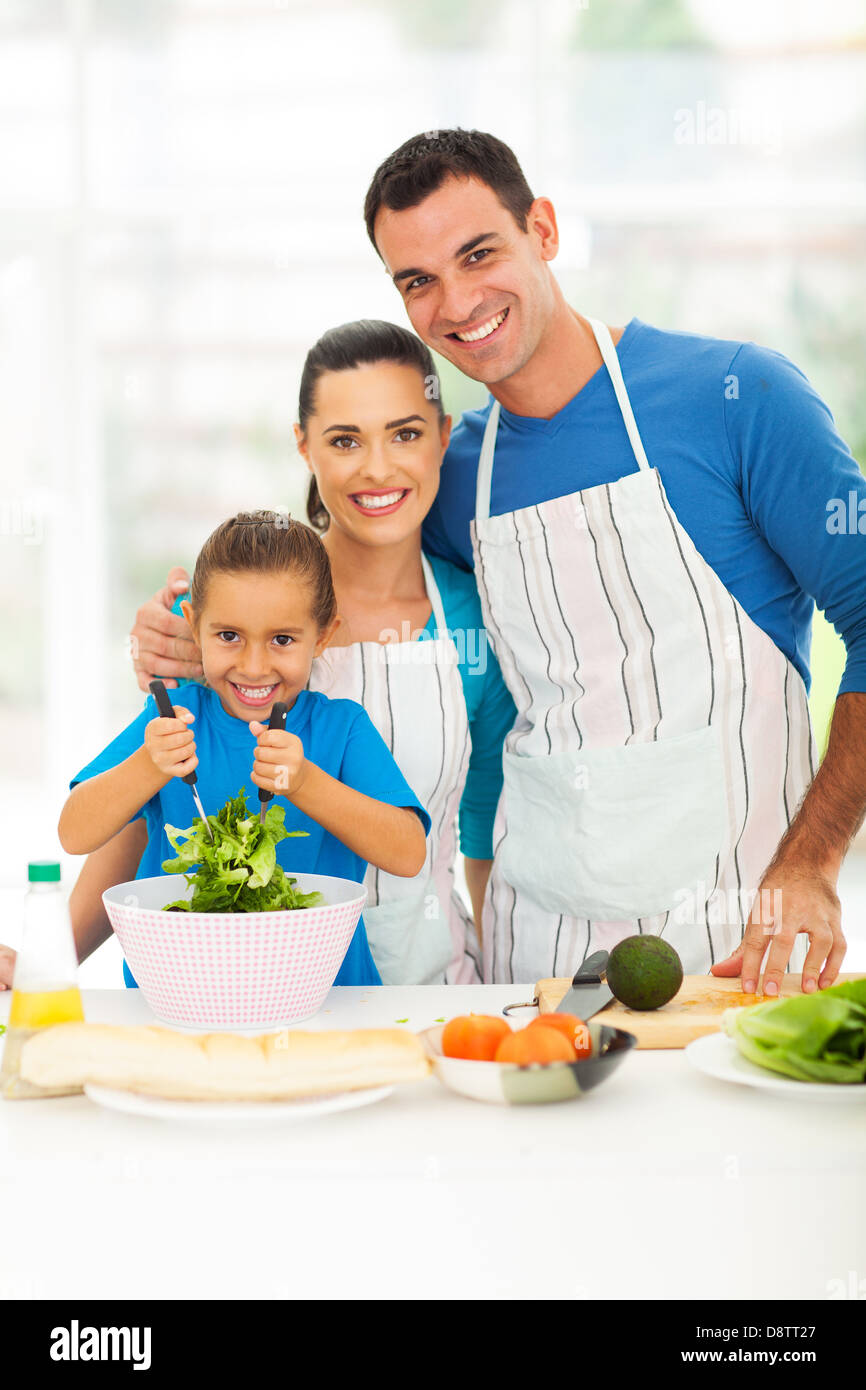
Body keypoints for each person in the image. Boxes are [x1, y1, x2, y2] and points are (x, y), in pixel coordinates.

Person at [355, 127, 866, 991]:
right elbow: (329, 593)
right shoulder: (451, 478)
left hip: (738, 952)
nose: (457, 301)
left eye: (479, 254)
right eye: (419, 281)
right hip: (534, 969)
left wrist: (814, 860)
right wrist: (186, 628)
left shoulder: (738, 398)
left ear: (544, 231)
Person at [23, 323, 516, 992]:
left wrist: (511, 1001)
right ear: (303, 444)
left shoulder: (476, 620)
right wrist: (44, 967)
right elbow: (139, 823)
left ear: (442, 435)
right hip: (206, 989)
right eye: (345, 439)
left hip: (424, 986)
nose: (377, 468)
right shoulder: (249, 591)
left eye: (404, 433)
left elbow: (481, 835)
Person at [56, 511, 431, 988]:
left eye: (282, 639)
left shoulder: (342, 728)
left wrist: (306, 782)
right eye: (229, 636)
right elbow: (74, 833)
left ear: (324, 636)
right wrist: (145, 767)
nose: (254, 667)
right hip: (178, 1002)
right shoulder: (168, 720)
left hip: (329, 1005)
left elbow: (407, 852)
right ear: (194, 626)